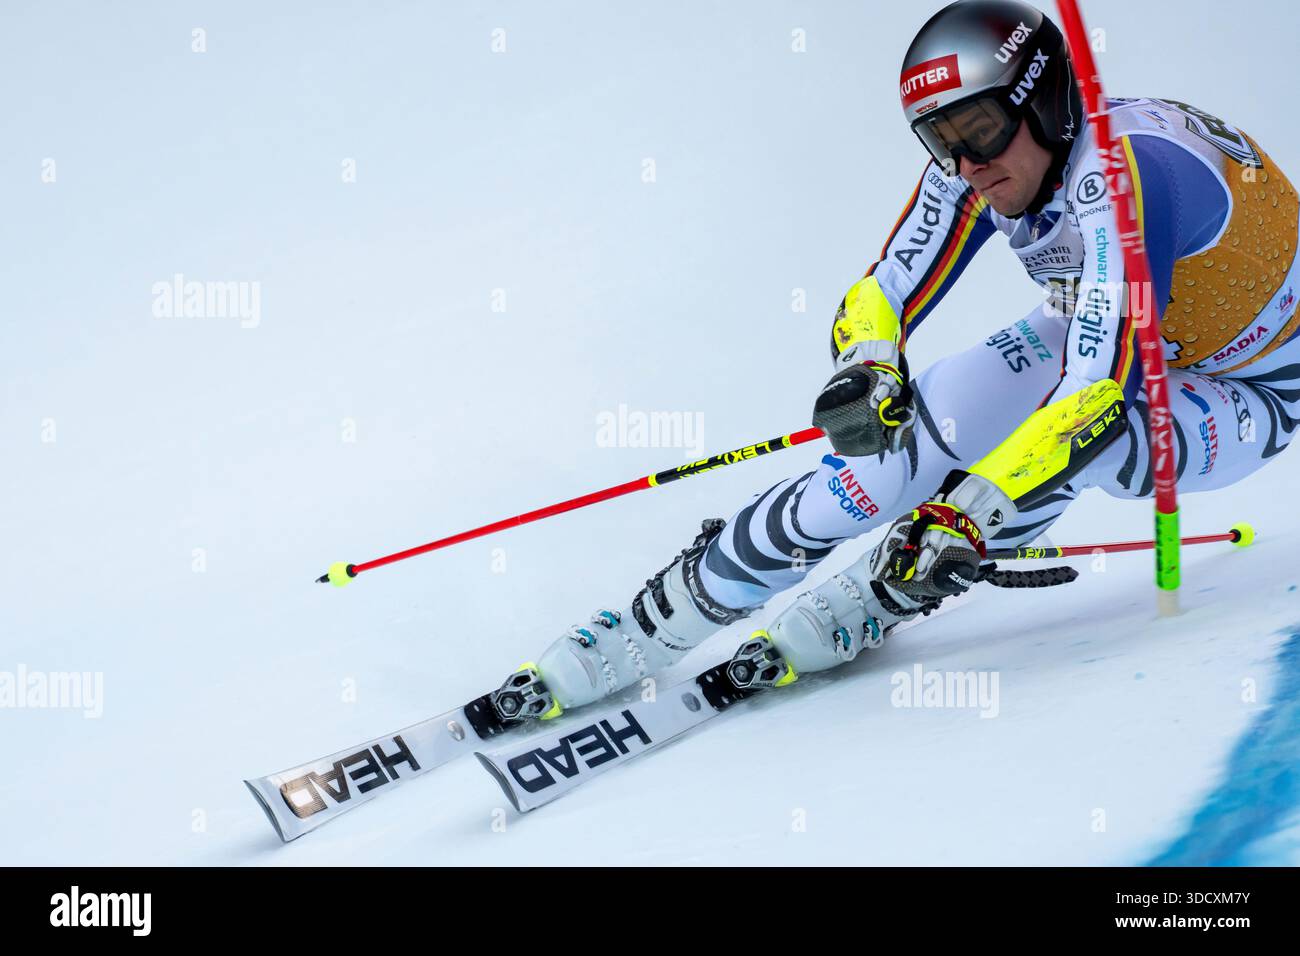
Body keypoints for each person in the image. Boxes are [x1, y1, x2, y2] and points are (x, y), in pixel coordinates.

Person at [501, 0, 1300, 717]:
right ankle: (670, 612)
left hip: (1253, 381)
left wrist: (967, 513)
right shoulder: (980, 167)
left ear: (1046, 99)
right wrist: (870, 366)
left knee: (1100, 439)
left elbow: (1096, 392)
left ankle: (882, 591)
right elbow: (885, 290)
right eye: (941, 139)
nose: (967, 165)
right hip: (1101, 316)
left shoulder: (1121, 180)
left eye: (980, 130)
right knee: (928, 422)